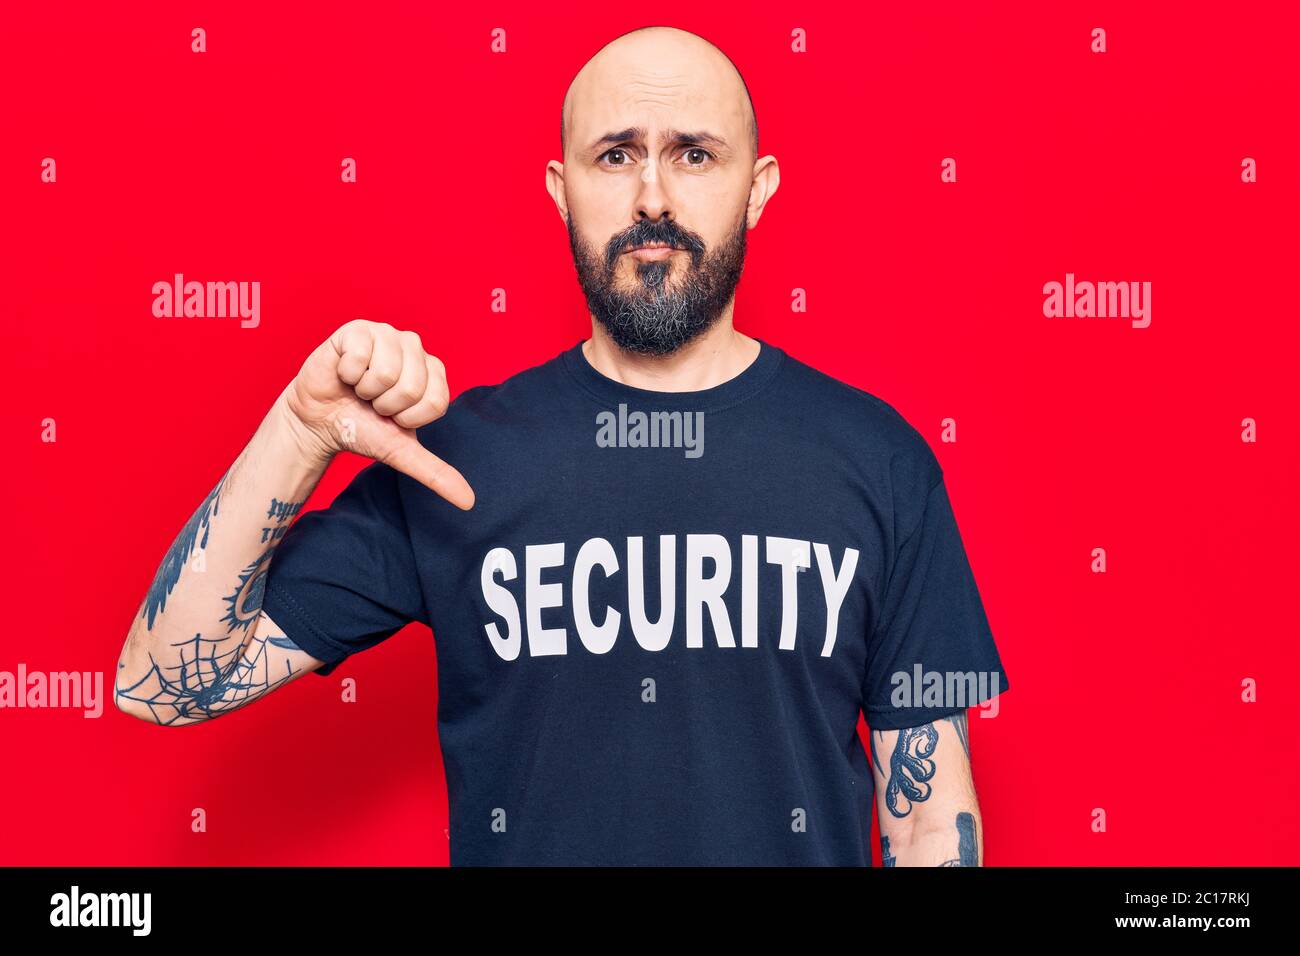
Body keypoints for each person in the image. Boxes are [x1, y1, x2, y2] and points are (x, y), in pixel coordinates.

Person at [115, 25, 1010, 867]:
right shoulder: (454, 458)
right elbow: (164, 683)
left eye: (695, 155)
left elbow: (930, 817)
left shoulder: (879, 460)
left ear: (759, 186)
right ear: (559, 190)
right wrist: (300, 430)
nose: (652, 197)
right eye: (615, 156)